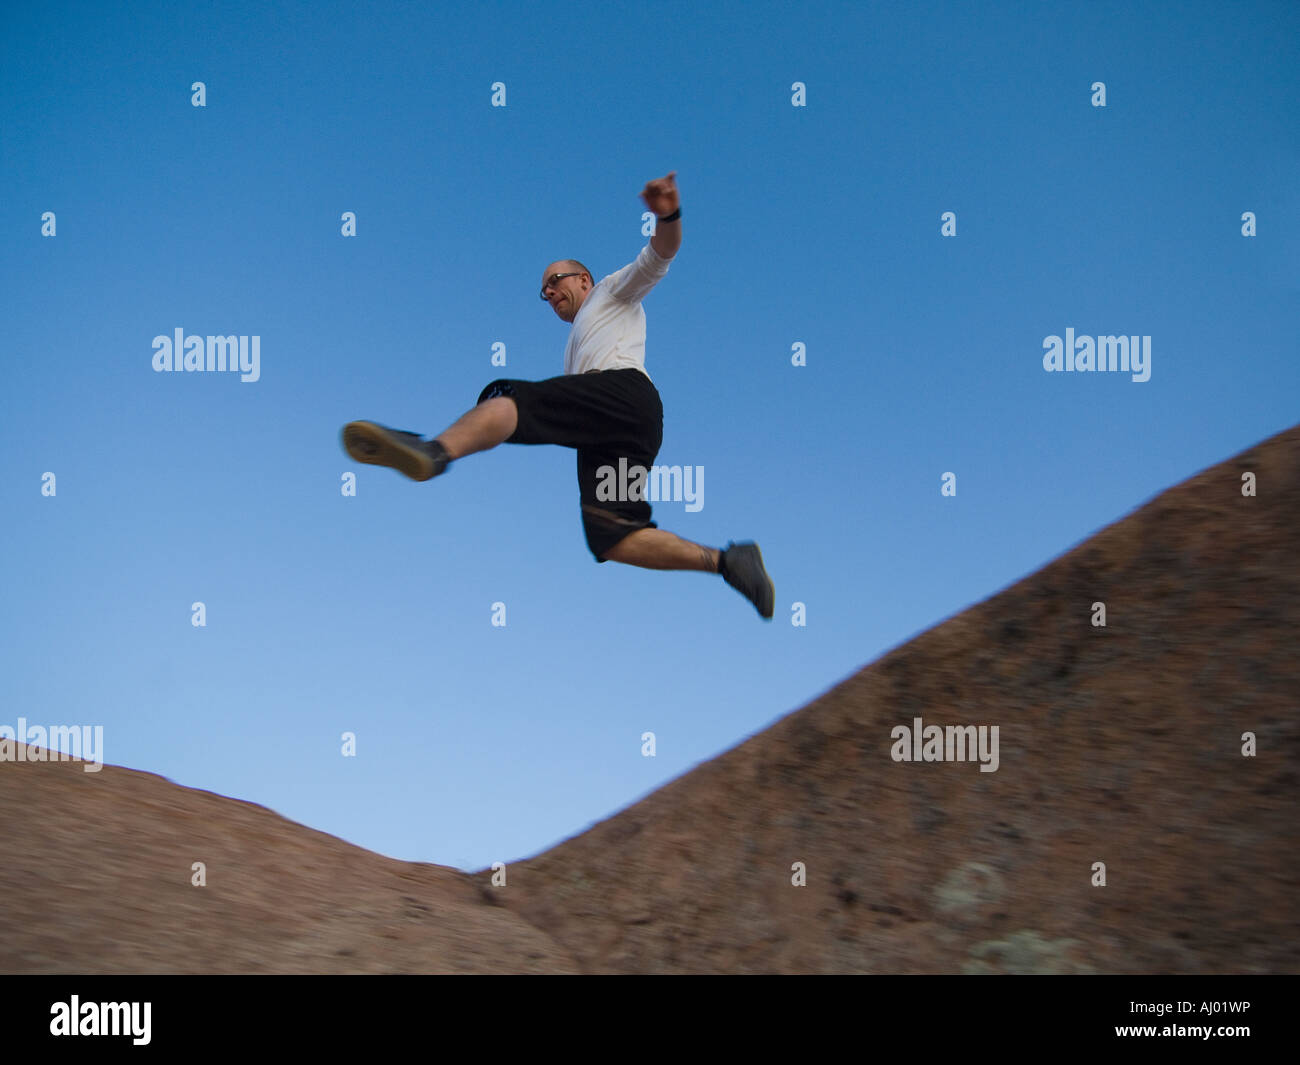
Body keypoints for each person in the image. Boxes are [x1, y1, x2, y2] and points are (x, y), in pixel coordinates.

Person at [341, 171, 774, 619]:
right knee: (613, 535)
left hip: (623, 394)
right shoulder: (576, 345)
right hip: (622, 431)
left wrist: (668, 214)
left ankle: (433, 451)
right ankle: (728, 562)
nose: (548, 293)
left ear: (584, 279)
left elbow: (661, 254)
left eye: (556, 281)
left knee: (509, 395)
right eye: (543, 292)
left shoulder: (611, 291)